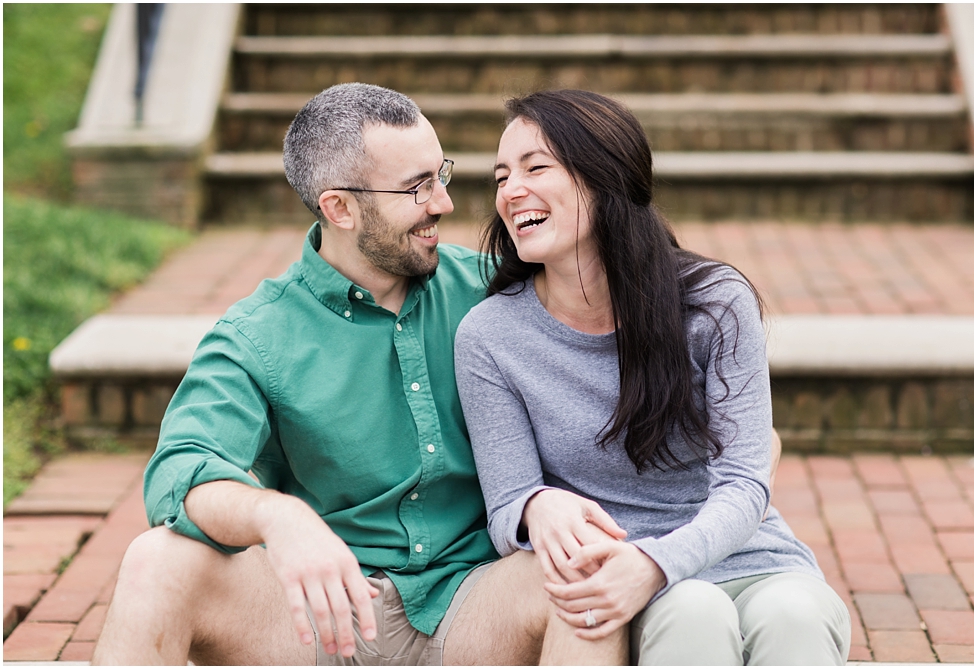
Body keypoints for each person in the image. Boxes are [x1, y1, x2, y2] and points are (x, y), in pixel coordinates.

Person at [91, 83, 628, 666]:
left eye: (440, 174)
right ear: (339, 208)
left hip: (475, 601)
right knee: (156, 562)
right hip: (322, 613)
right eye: (416, 188)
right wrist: (277, 516)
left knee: (587, 577)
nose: (443, 203)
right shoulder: (258, 333)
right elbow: (179, 470)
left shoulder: (492, 290)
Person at [454, 90, 852, 665]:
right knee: (694, 612)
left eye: (535, 167)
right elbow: (508, 506)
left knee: (797, 615)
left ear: (605, 176)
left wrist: (658, 563)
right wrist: (537, 506)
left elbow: (746, 483)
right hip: (620, 580)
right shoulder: (490, 336)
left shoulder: (715, 303)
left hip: (749, 559)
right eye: (500, 175)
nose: (511, 190)